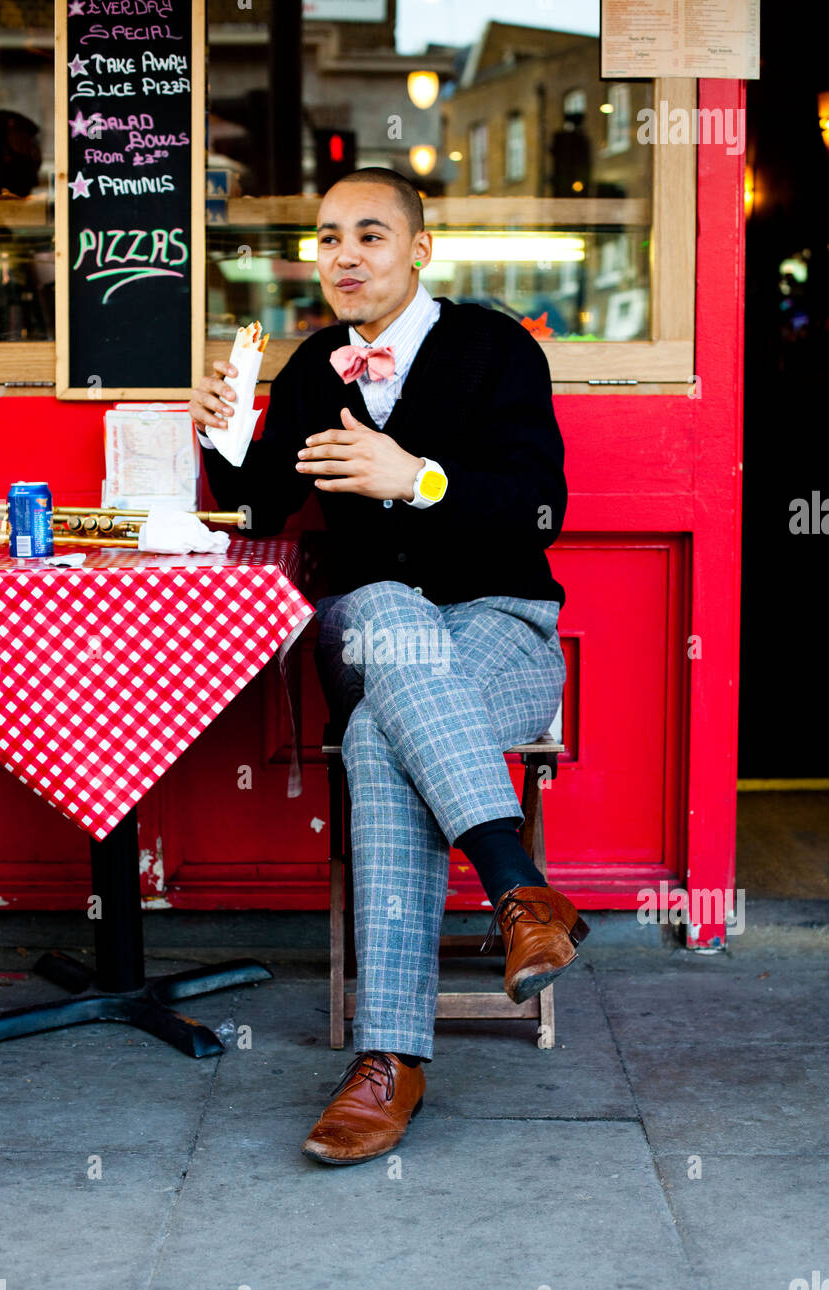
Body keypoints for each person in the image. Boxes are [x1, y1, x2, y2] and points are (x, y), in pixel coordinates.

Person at [189, 167, 589, 1167]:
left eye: (369, 234)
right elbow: (264, 513)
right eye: (326, 238)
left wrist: (416, 478)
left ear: (418, 249)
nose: (343, 255)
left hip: (502, 627)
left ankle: (388, 1062)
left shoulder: (497, 348)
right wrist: (225, 434)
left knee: (374, 739)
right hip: (369, 633)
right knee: (376, 601)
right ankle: (517, 888)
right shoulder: (315, 362)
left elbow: (540, 506)